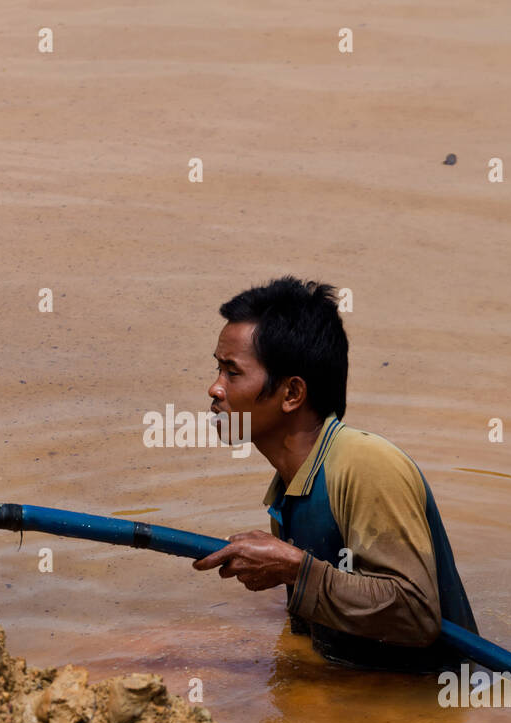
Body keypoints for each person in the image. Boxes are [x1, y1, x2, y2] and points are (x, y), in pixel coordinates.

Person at [193, 276, 479, 670]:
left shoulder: (366, 465)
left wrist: (294, 569)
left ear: (292, 394)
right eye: (217, 370)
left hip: (426, 706)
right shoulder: (292, 486)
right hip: (363, 703)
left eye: (232, 372)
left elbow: (415, 613)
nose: (214, 388)